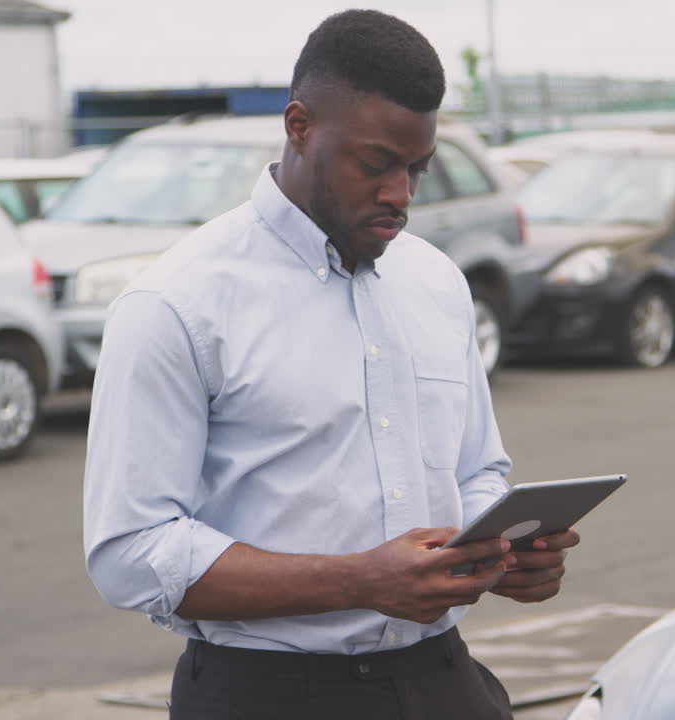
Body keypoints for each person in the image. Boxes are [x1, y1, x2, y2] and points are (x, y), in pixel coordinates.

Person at [82, 9, 579, 718]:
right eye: (376, 165)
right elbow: (130, 553)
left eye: (417, 170)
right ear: (299, 126)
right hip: (267, 695)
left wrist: (498, 550)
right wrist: (358, 582)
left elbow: (475, 472)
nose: (400, 195)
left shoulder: (436, 283)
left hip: (442, 681)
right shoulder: (176, 303)